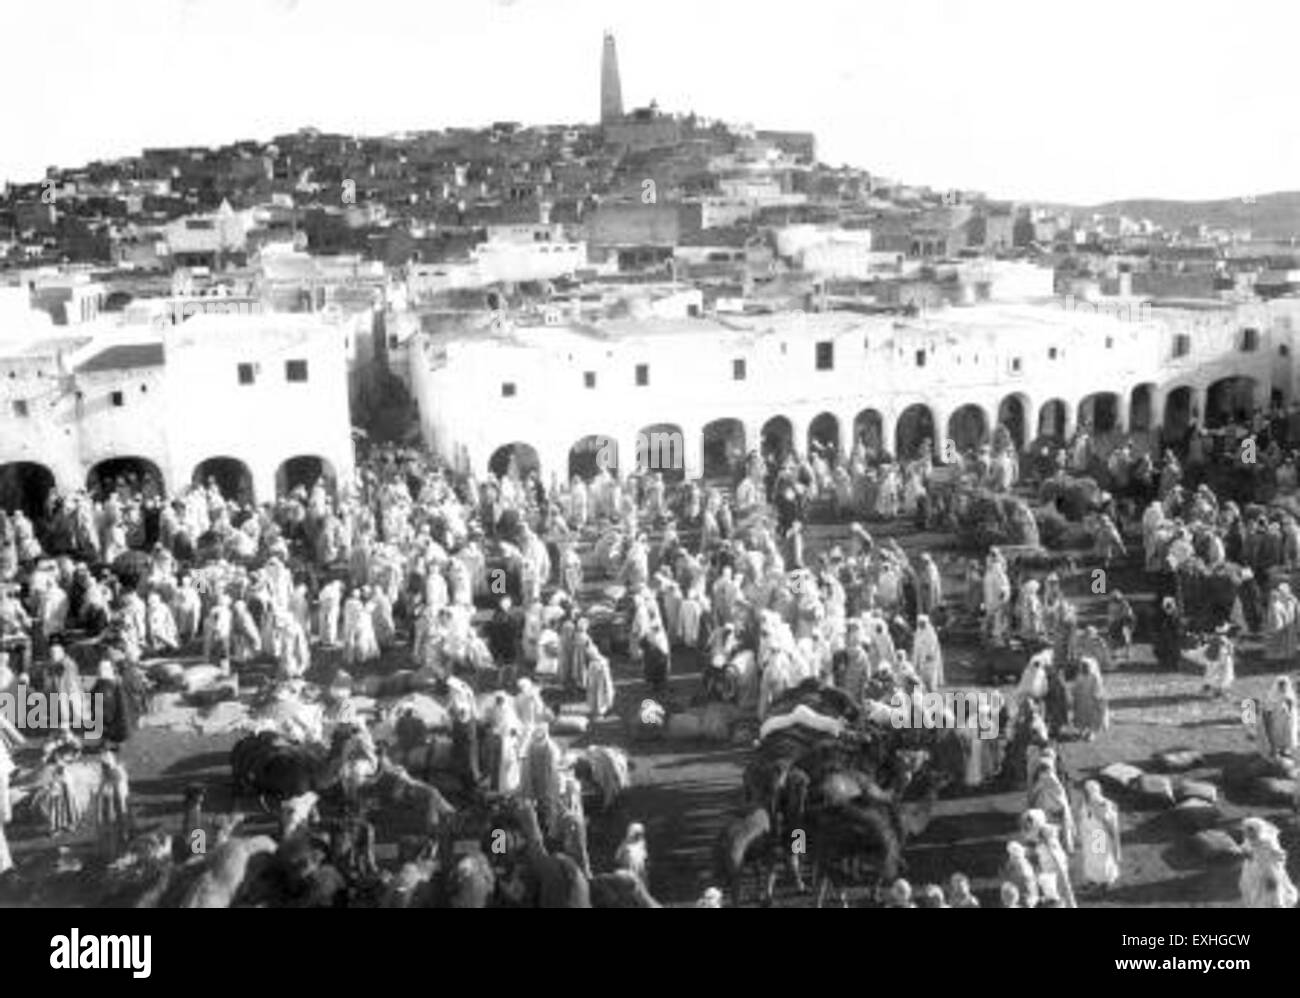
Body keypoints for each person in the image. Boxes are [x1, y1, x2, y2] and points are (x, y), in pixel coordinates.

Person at [1239, 817, 1298, 908]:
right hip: (1252, 869)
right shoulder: (1248, 840)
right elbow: (1246, 850)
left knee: (1270, 890)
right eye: (1246, 831)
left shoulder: (1267, 842)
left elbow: (1277, 856)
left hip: (1267, 870)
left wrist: (1272, 873)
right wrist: (1246, 853)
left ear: (1258, 831)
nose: (1248, 834)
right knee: (1252, 888)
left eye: (1251, 831)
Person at [1076, 780, 1121, 894]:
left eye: (1086, 791)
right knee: (1090, 859)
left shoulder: (1101, 804)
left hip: (1098, 836)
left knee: (1100, 860)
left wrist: (1114, 841)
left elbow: (1108, 823)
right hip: (1089, 835)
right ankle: (1093, 880)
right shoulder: (1086, 802)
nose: (1083, 793)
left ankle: (1104, 883)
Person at [1257, 675, 1299, 761]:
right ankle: (1275, 750)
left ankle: (1285, 749)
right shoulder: (1272, 698)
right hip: (1275, 722)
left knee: (1287, 736)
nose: (1283, 687)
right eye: (1281, 685)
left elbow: (1293, 709)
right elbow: (1267, 715)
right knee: (1276, 736)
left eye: (1285, 685)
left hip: (1287, 723)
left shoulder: (1290, 696)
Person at [1073, 657, 1109, 741]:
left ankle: (1091, 733)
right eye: (1083, 666)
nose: (1084, 668)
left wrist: (1096, 697)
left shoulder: (1095, 678)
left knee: (1092, 718)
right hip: (1081, 701)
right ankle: (1081, 731)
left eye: (1086, 666)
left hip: (1092, 702)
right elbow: (1076, 687)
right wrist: (1075, 694)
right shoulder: (1079, 676)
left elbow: (1099, 691)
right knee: (1081, 717)